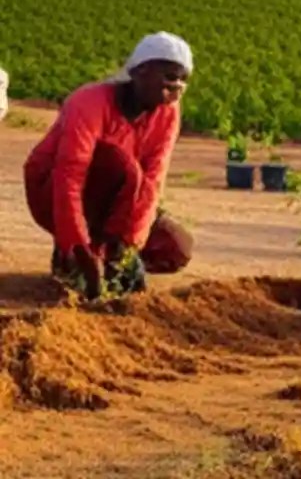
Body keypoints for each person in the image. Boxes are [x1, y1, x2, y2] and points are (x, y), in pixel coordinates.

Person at [23, 32, 197, 300]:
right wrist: (77, 244)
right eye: (169, 77)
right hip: (53, 189)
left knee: (175, 247)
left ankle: (104, 257)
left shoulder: (168, 112)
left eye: (183, 80)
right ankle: (74, 254)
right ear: (140, 71)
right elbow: (69, 175)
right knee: (121, 165)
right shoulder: (89, 103)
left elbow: (153, 179)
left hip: (123, 193)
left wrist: (129, 244)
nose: (177, 87)